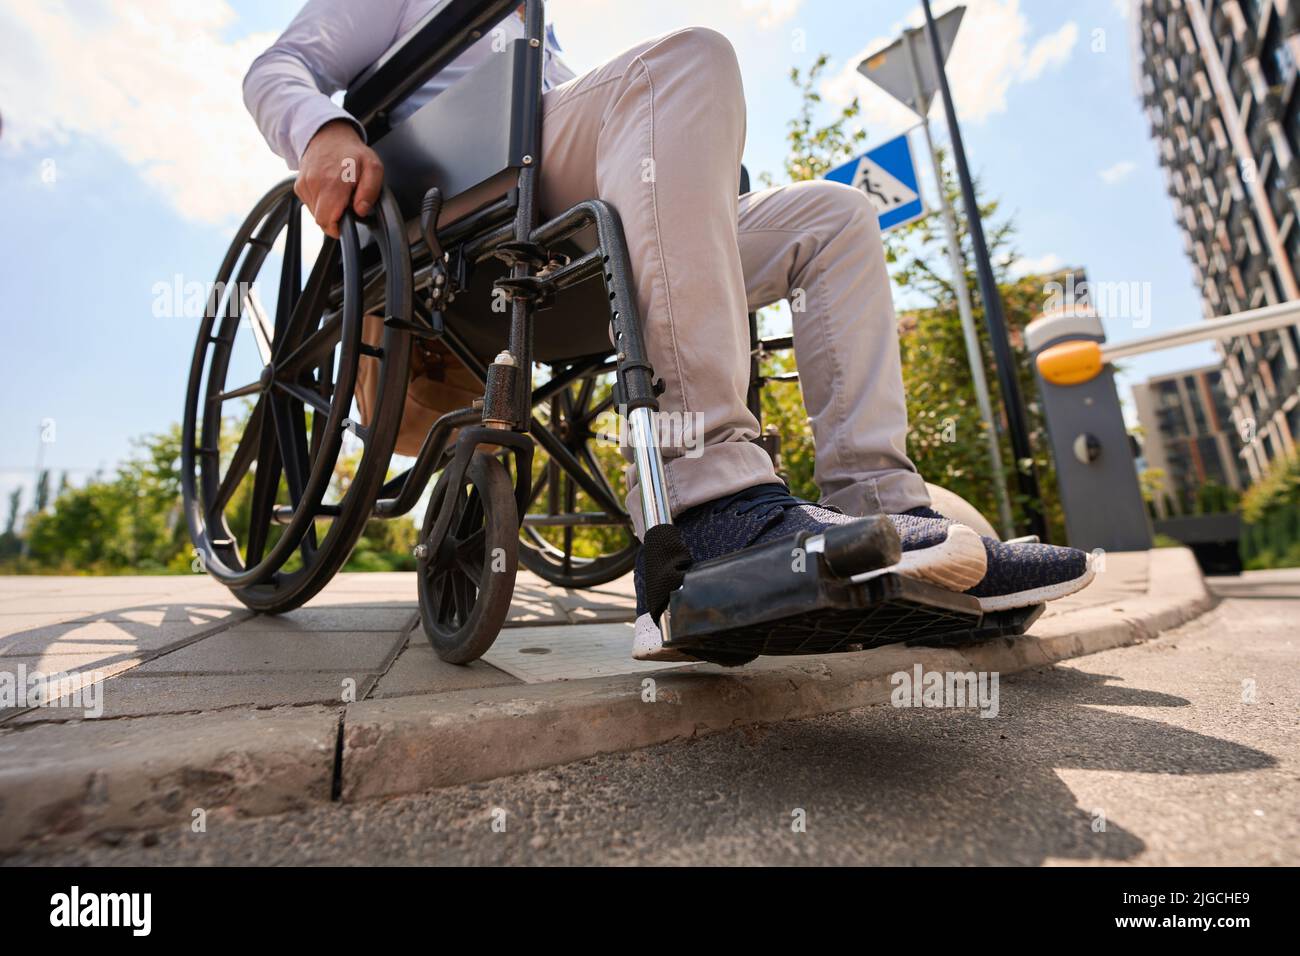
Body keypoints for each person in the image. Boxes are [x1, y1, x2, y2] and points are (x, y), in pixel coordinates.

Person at [244, 1, 1094, 653]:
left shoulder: (543, 49)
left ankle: (888, 521)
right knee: (686, 61)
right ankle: (713, 510)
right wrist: (322, 129)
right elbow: (278, 67)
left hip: (565, 214)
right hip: (467, 217)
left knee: (835, 216)